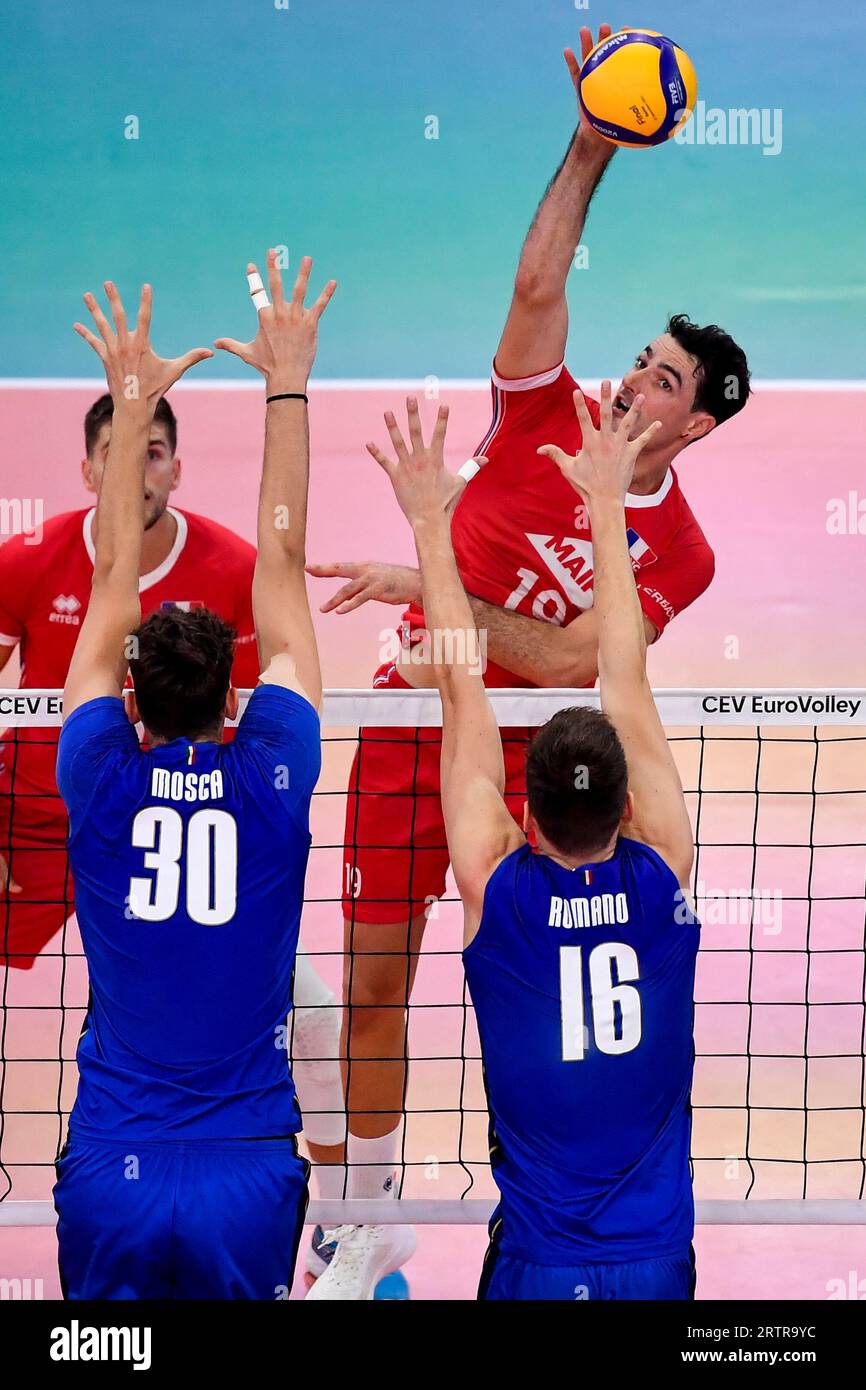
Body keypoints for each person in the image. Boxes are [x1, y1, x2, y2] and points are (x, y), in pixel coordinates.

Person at [304, 22, 746, 1296]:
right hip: (415, 725)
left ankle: (562, 1224)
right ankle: (361, 1226)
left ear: (694, 421)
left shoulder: (685, 551)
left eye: (660, 378)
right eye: (640, 357)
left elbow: (568, 649)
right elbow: (538, 277)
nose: (631, 377)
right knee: (376, 975)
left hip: (547, 765)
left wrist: (429, 582)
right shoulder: (540, 409)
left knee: (551, 1029)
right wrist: (589, 145)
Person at [368, 383, 699, 1301]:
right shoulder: (664, 864)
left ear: (527, 814)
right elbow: (623, 673)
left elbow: (460, 689)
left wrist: (432, 527)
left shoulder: (496, 887)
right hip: (656, 1264)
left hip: (539, 1268)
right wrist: (607, 509)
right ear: (628, 804)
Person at [53, 251, 337, 1298]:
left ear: (131, 701)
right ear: (236, 700)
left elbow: (113, 569)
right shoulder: (271, 774)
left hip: (112, 1177)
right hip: (246, 1175)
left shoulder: (96, 772)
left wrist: (133, 406)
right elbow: (282, 562)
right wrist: (285, 382)